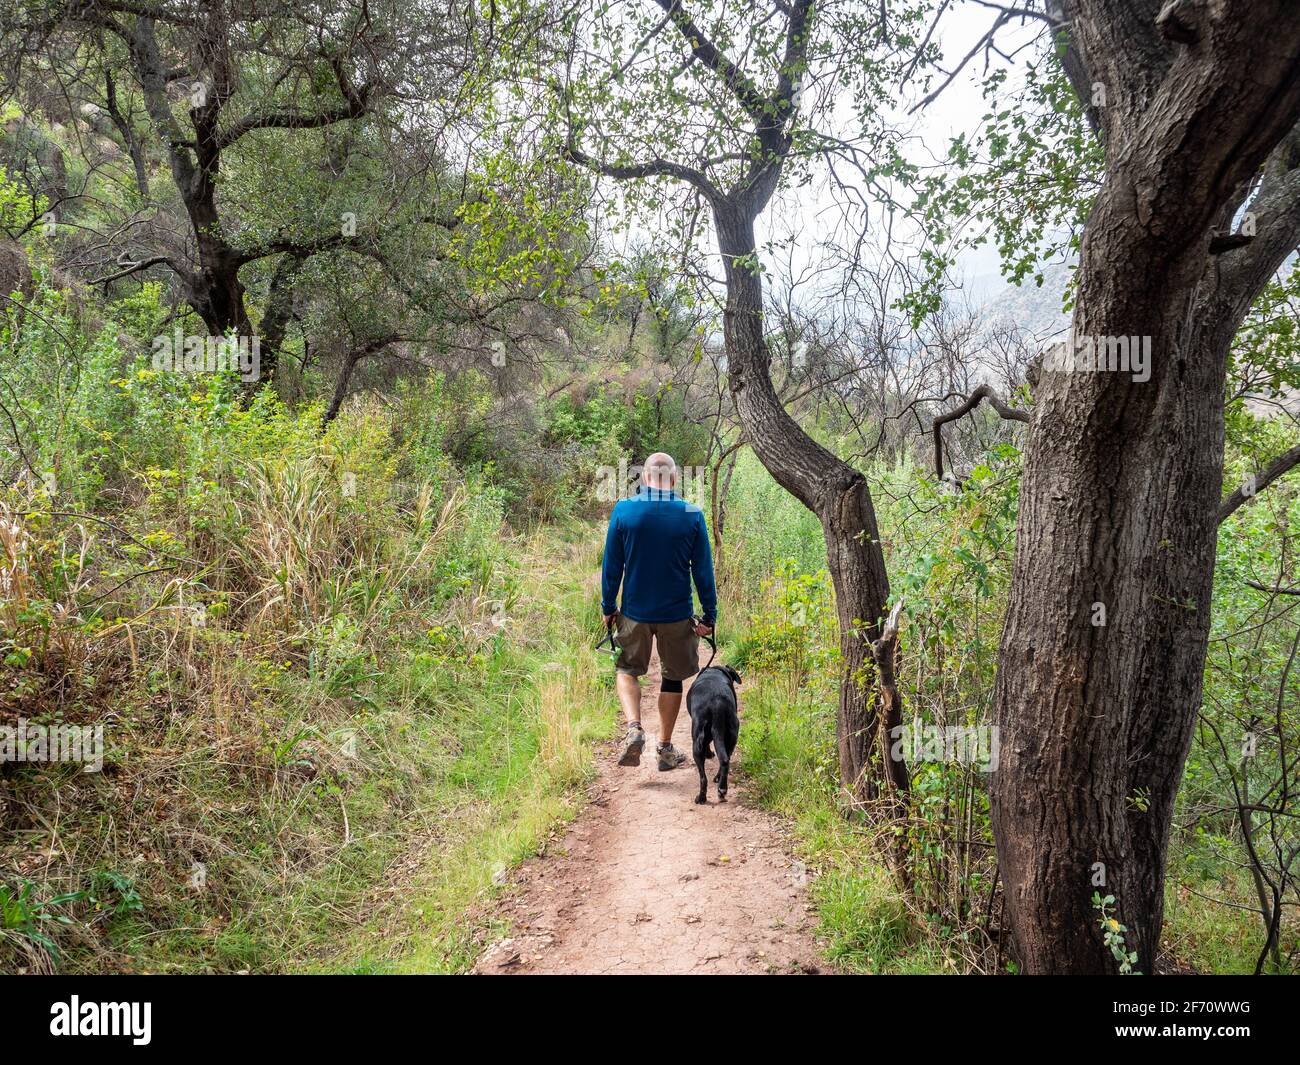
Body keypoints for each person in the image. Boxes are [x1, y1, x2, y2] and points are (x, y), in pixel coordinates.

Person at [600, 452, 717, 770]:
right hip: (676, 613)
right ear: (675, 480)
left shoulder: (624, 510)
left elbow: (612, 566)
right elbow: (703, 571)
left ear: (644, 478)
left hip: (635, 611)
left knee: (626, 670)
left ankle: (634, 728)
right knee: (673, 677)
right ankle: (664, 749)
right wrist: (709, 616)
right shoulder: (692, 514)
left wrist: (608, 607)